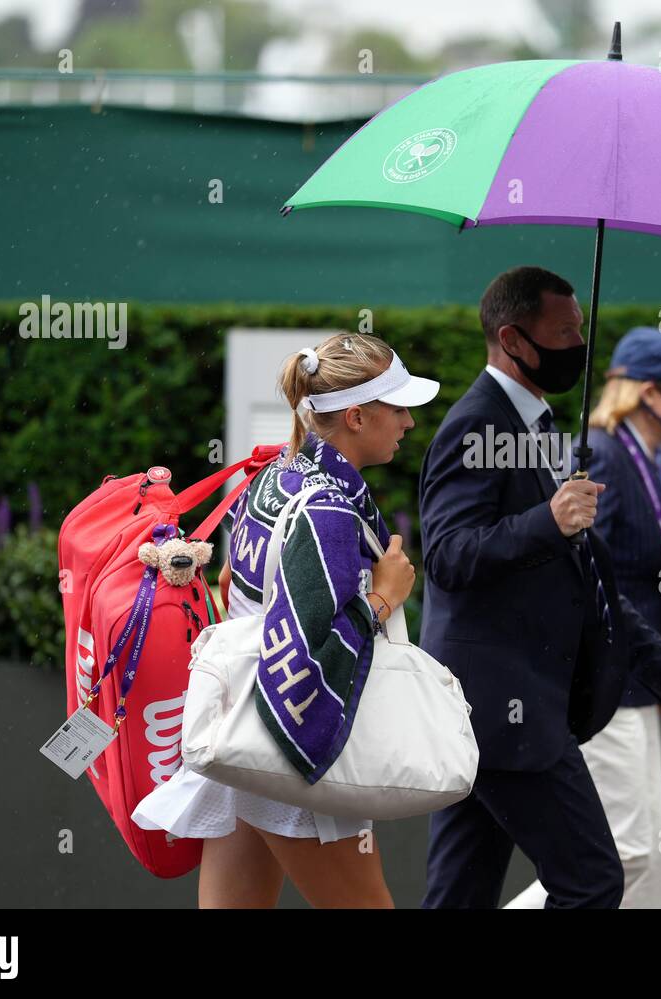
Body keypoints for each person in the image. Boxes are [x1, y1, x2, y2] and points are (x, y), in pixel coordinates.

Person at [417, 265, 661, 909]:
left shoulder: (543, 428)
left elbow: (588, 577)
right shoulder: (476, 425)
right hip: (502, 708)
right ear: (513, 339)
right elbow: (446, 557)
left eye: (579, 328)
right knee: (593, 881)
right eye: (564, 331)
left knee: (460, 898)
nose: (579, 343)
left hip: (502, 708)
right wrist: (546, 522)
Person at [132, 332, 438, 908]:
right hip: (294, 748)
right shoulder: (325, 506)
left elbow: (232, 584)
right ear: (354, 416)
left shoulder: (276, 476)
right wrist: (386, 596)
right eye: (398, 409)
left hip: (247, 740)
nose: (408, 423)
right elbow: (311, 648)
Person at [505, 326, 661, 909]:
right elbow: (584, 579)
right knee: (629, 854)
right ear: (650, 393)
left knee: (652, 857)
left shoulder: (642, 456)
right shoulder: (604, 455)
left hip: (631, 678)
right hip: (603, 686)